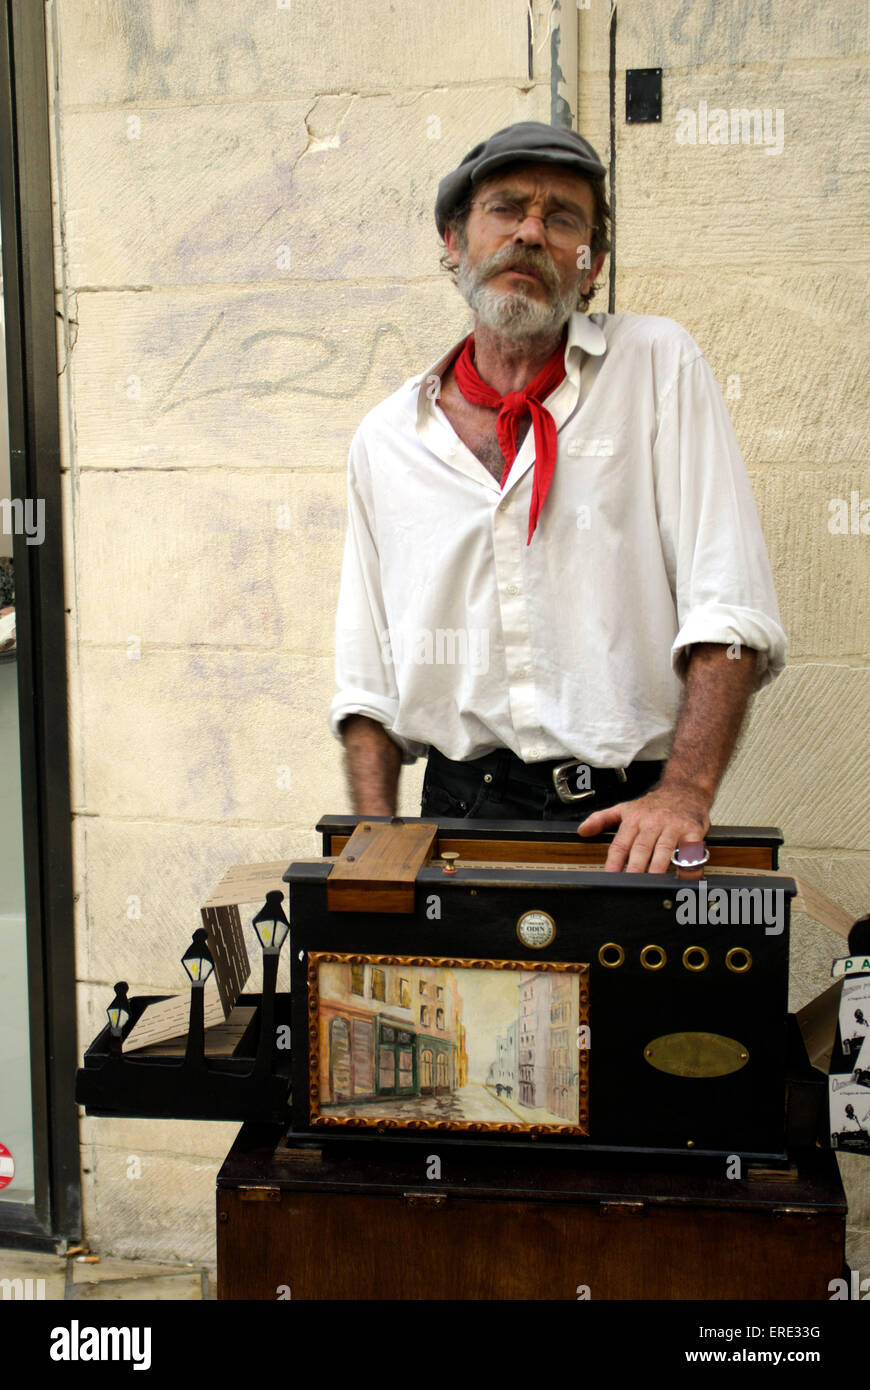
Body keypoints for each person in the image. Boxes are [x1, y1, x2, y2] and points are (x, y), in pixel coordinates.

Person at [329, 121, 786, 873]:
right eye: (506, 209)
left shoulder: (656, 366)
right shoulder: (387, 439)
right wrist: (374, 849)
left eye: (562, 218)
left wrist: (685, 792)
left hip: (630, 817)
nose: (532, 233)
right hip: (454, 818)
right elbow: (368, 681)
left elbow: (727, 606)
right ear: (454, 240)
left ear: (592, 263)